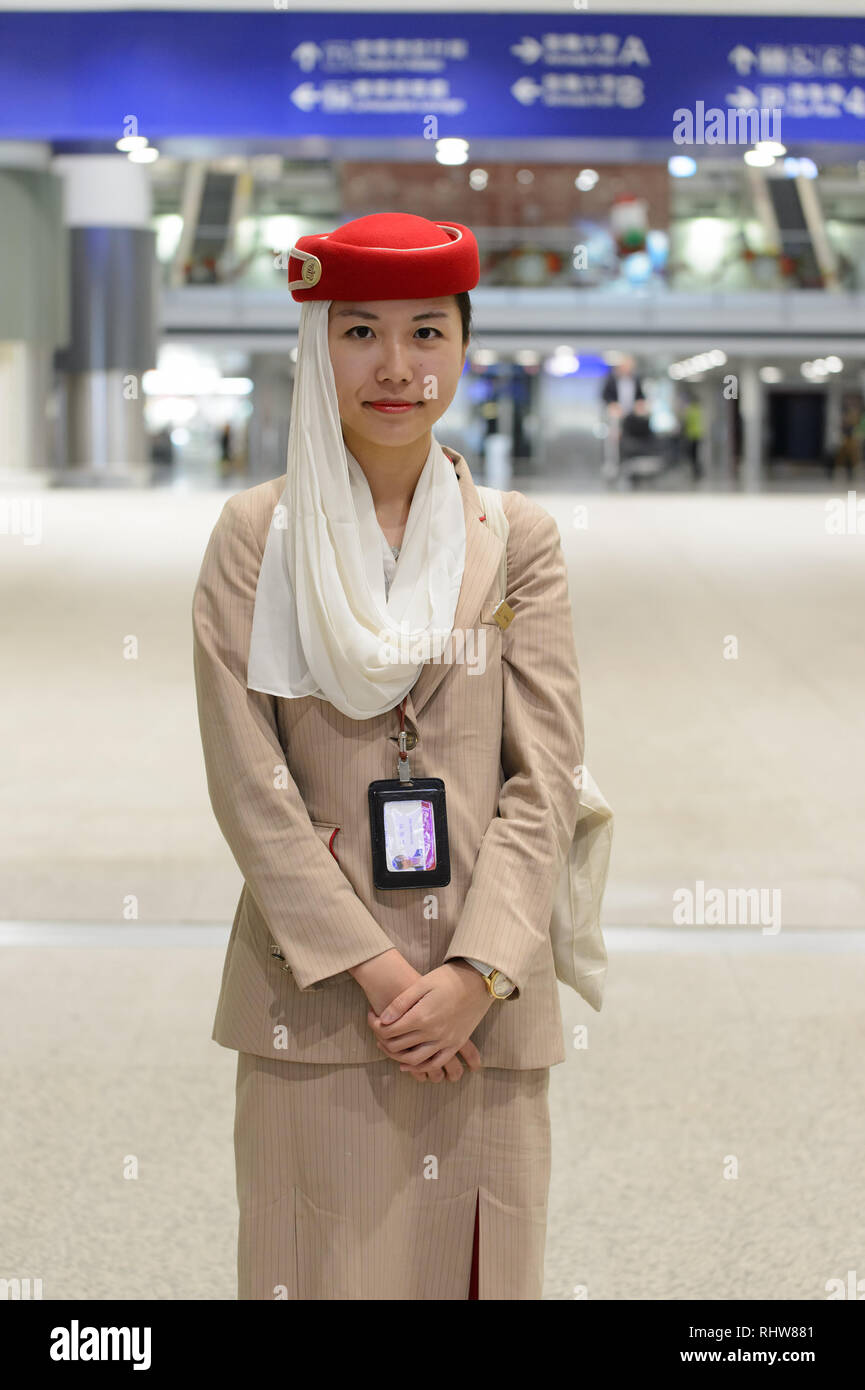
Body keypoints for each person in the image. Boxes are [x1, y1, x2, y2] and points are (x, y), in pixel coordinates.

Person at [191, 212, 586, 1300]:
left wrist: (473, 972)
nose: (397, 368)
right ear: (315, 346)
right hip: (317, 999)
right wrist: (380, 973)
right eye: (359, 332)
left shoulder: (515, 537)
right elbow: (247, 779)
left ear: (463, 346)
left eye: (427, 332)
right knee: (312, 1268)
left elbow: (542, 773)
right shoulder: (258, 537)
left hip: (485, 1005)